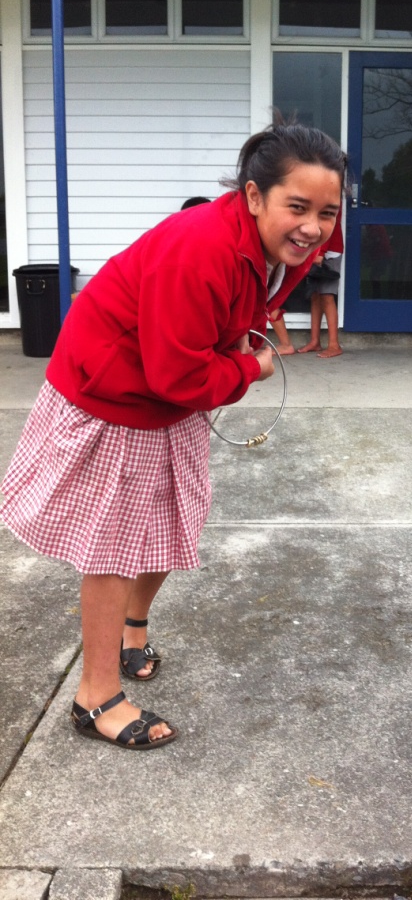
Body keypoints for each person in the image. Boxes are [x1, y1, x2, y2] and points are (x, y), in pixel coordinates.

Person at [1, 119, 346, 751]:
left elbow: (250, 302)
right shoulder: (200, 248)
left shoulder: (281, 243)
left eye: (327, 211)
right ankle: (95, 696)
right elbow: (175, 374)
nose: (314, 227)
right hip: (115, 396)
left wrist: (250, 327)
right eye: (298, 207)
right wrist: (251, 367)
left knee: (172, 523)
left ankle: (135, 630)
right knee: (112, 548)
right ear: (252, 196)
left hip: (164, 401)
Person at [296, 214, 344, 358]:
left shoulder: (331, 194)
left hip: (329, 252)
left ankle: (334, 345)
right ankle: (315, 341)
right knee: (315, 295)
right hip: (314, 248)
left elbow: (329, 222)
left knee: (327, 296)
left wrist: (321, 252)